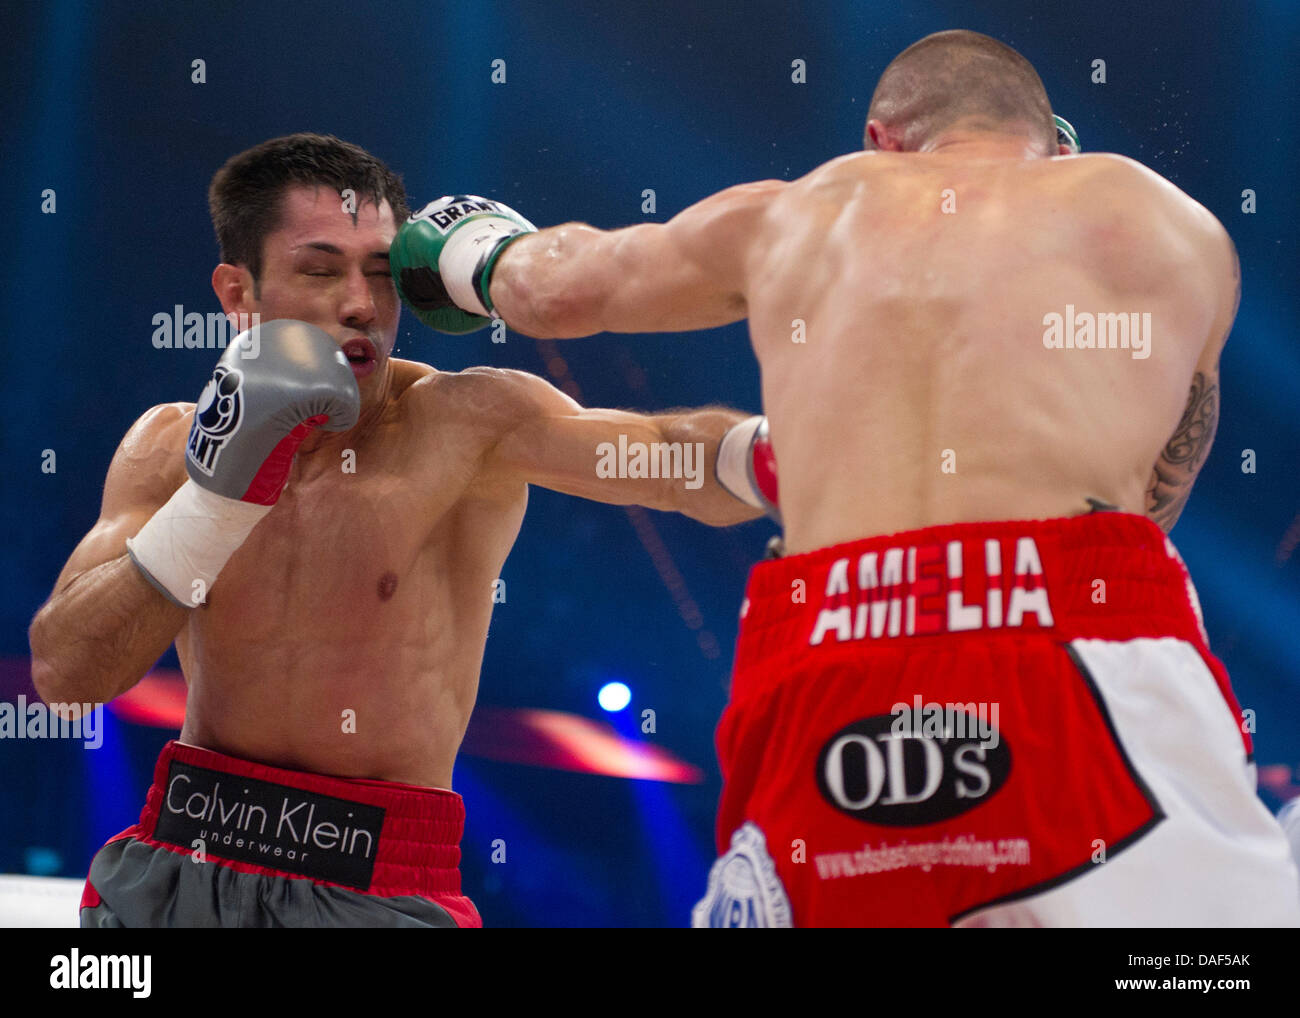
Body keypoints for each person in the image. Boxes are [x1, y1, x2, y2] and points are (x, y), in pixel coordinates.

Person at [422, 30, 1300, 926]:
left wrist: (474, 252)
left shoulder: (805, 206)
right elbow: (1158, 493)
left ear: (881, 139)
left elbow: (559, 291)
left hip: (828, 657)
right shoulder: (1165, 219)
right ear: (1054, 147)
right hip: (1079, 638)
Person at [27, 133, 764, 928]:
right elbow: (66, 676)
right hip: (176, 864)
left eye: (382, 274)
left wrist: (801, 447)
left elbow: (669, 463)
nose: (361, 303)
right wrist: (214, 502)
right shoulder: (168, 447)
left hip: (375, 882)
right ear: (237, 292)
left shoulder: (467, 421)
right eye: (319, 271)